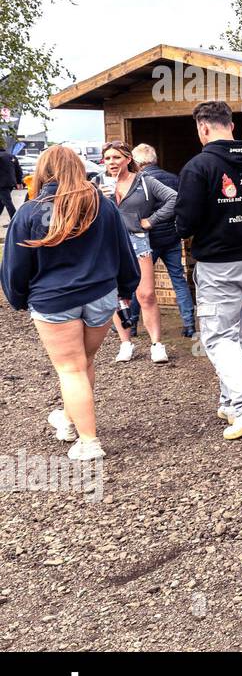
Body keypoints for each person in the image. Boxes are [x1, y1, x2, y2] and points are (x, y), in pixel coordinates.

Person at [1, 146, 141, 461]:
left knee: (71, 368)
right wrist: (126, 289)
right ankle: (67, 420)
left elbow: (15, 265)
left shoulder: (31, 210)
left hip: (55, 300)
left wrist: (18, 297)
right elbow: (124, 251)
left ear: (43, 171)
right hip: (101, 296)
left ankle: (89, 442)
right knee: (84, 363)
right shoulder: (102, 206)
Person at [174, 100, 242, 440]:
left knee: (218, 336)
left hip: (219, 264)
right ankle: (231, 401)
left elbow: (185, 222)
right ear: (231, 126)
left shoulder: (198, 167)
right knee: (238, 332)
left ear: (203, 128)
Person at [102, 140, 176, 364]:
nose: (112, 162)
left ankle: (156, 344)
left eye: (116, 157)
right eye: (107, 158)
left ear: (127, 159)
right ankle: (125, 343)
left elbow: (174, 198)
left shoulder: (144, 180)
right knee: (117, 296)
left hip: (137, 240)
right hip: (109, 243)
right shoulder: (97, 182)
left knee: (146, 294)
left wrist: (151, 221)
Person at [130, 143, 195, 338]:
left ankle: (131, 324)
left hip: (147, 239)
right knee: (178, 280)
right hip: (171, 238)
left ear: (137, 161)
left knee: (138, 282)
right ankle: (189, 324)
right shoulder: (174, 179)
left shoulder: (137, 181)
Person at [0, 140, 19, 224]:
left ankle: (15, 220)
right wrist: (19, 181)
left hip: (1, 183)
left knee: (7, 201)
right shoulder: (12, 156)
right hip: (11, 183)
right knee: (2, 201)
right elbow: (18, 170)